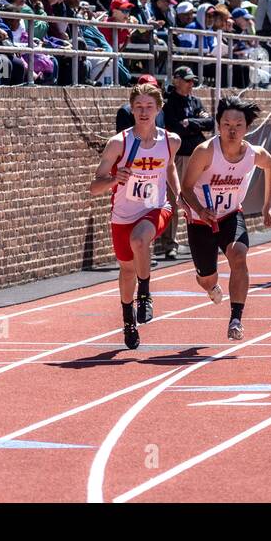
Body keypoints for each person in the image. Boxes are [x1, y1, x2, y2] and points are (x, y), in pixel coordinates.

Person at [90, 83, 182, 349]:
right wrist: (113, 178)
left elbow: (170, 168)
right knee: (126, 269)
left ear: (158, 109)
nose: (144, 112)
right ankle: (128, 318)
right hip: (123, 214)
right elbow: (94, 186)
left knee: (141, 240)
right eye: (139, 107)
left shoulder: (170, 140)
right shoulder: (119, 143)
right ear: (131, 109)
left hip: (156, 206)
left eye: (149, 107)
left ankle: (145, 293)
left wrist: (180, 198)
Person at [181, 97, 271, 342]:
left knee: (238, 255)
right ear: (218, 126)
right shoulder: (205, 152)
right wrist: (201, 210)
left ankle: (236, 318)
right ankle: (210, 286)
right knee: (207, 279)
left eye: (238, 125)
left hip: (231, 215)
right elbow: (186, 188)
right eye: (226, 124)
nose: (232, 130)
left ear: (246, 128)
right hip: (201, 220)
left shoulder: (253, 154)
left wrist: (267, 205)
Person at [155, 65, 212, 258]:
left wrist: (192, 123)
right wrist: (192, 125)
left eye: (192, 81)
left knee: (202, 197)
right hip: (177, 156)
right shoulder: (169, 103)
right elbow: (176, 129)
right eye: (187, 80)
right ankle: (170, 245)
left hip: (197, 156)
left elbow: (210, 122)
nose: (191, 84)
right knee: (174, 199)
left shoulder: (195, 101)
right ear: (176, 80)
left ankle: (205, 237)